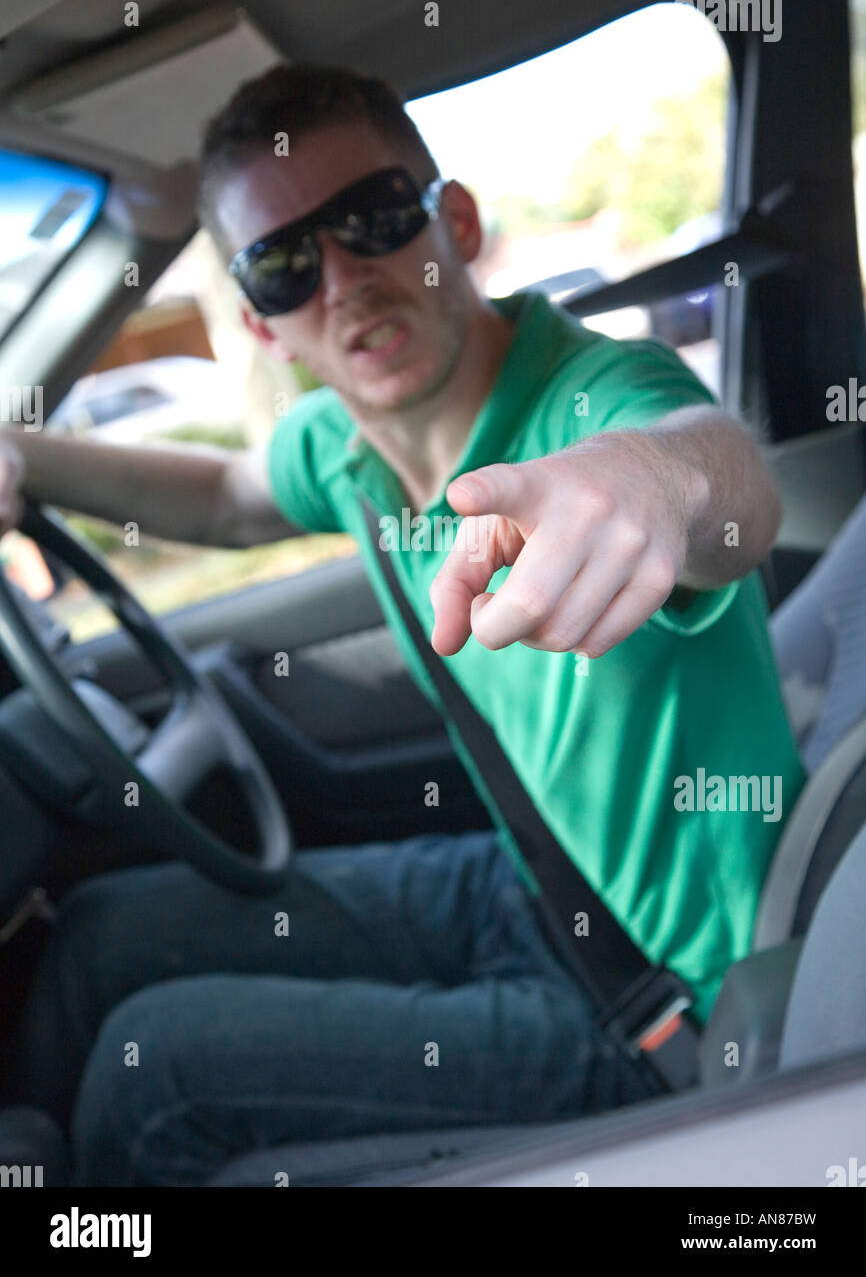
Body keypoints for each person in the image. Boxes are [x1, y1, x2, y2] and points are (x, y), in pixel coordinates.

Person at [0, 64, 805, 1185]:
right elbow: (225, 499)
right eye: (283, 265)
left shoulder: (588, 399)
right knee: (95, 939)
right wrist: (22, 455)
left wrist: (646, 484)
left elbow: (718, 477)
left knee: (151, 1067)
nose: (341, 280)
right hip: (535, 884)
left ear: (454, 223)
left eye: (372, 219)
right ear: (262, 322)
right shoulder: (345, 447)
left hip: (675, 994)